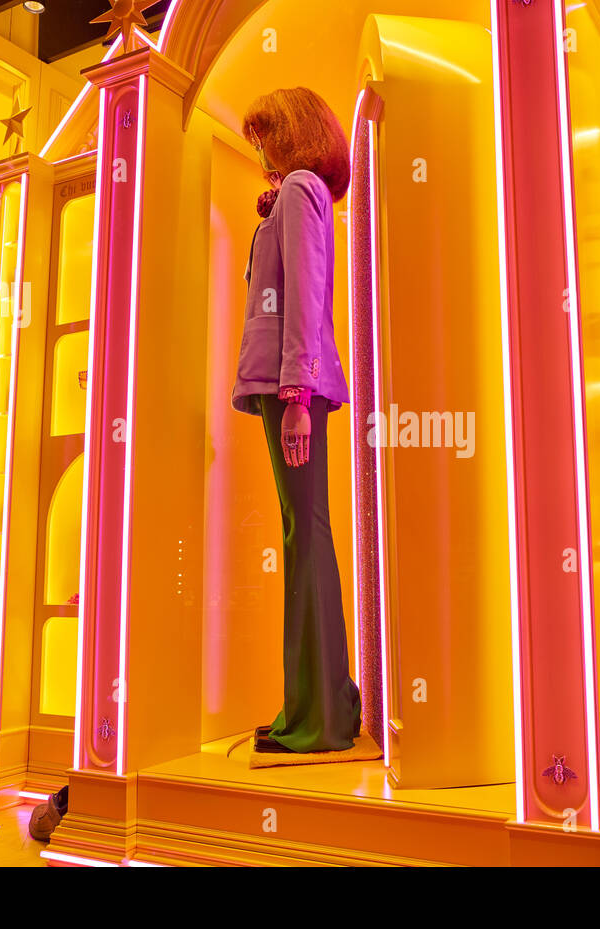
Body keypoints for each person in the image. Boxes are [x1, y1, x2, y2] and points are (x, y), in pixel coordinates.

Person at [232, 88, 361, 754]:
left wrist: (292, 394)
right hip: (288, 387)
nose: (259, 150)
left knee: (305, 539)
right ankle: (315, 705)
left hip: (294, 390)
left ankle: (318, 719)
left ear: (293, 133)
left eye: (264, 135)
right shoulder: (298, 194)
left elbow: (307, 296)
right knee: (302, 537)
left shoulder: (303, 188)